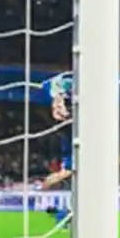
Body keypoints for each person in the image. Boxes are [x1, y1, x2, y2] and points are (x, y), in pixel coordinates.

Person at [42, 72, 74, 226]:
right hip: (71, 139)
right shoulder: (62, 87)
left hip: (71, 135)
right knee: (68, 172)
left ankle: (65, 214)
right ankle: (62, 213)